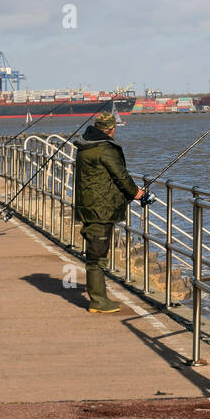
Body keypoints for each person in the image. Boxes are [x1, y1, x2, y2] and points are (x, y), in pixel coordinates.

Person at [74, 111, 144, 313]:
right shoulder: (105, 149)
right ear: (112, 129)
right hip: (101, 210)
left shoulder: (85, 147)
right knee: (96, 257)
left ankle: (99, 297)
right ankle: (98, 301)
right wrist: (137, 193)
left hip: (88, 207)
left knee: (94, 253)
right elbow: (121, 176)